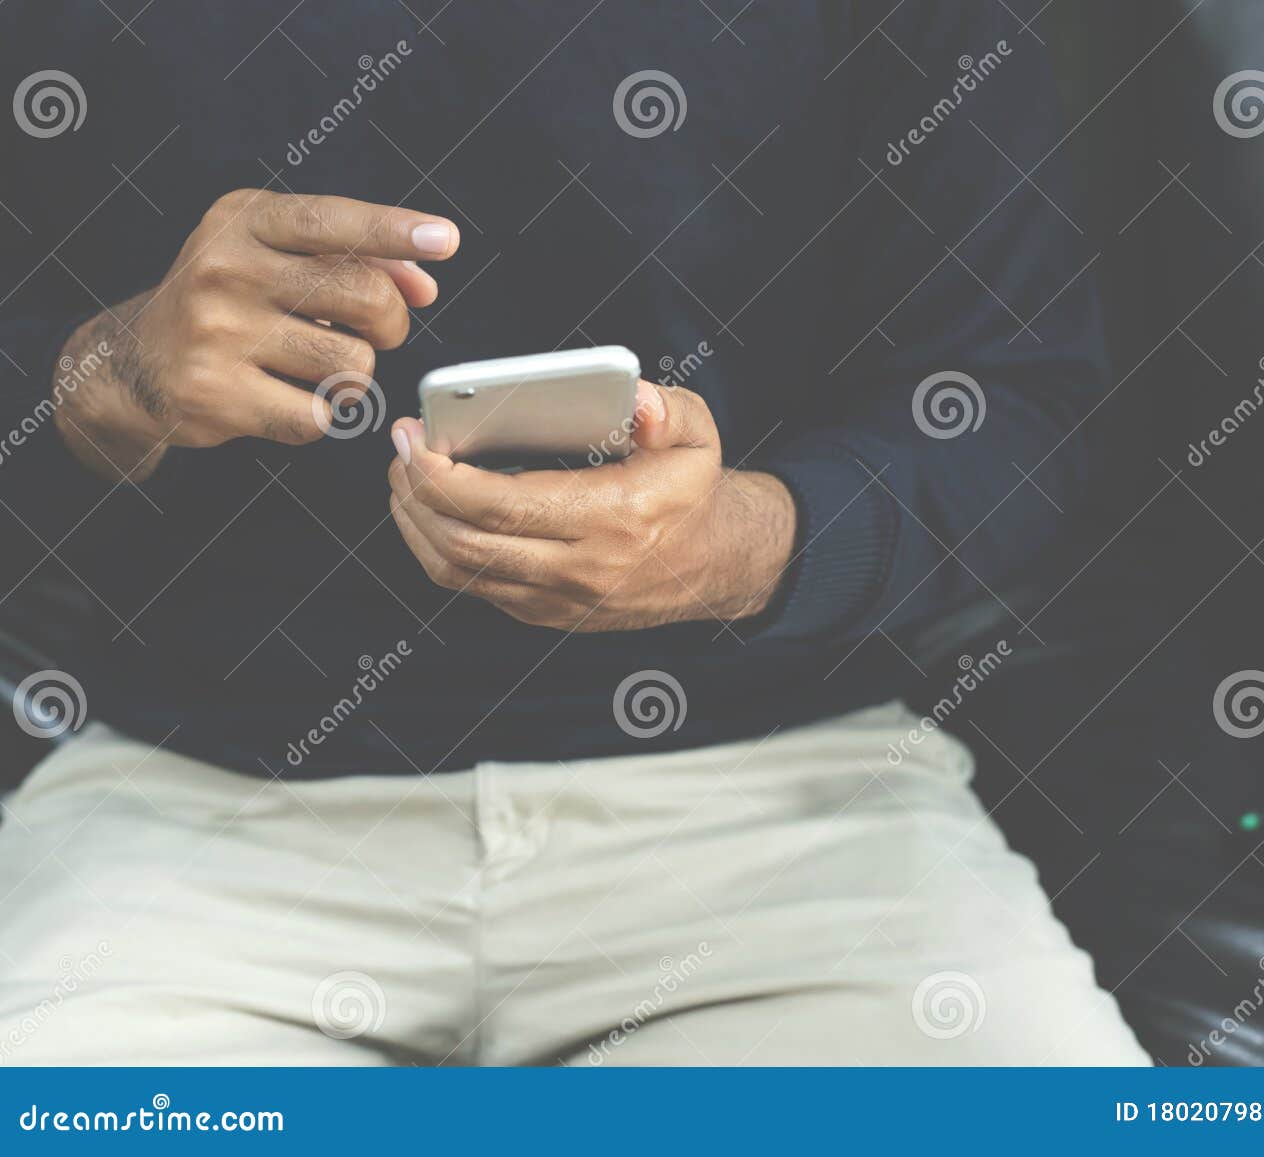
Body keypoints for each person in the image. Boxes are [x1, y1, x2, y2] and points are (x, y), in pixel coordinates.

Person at [0, 2, 1146, 1064]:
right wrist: (108, 376)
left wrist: (742, 541)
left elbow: (1015, 398)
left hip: (780, 807)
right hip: (196, 803)